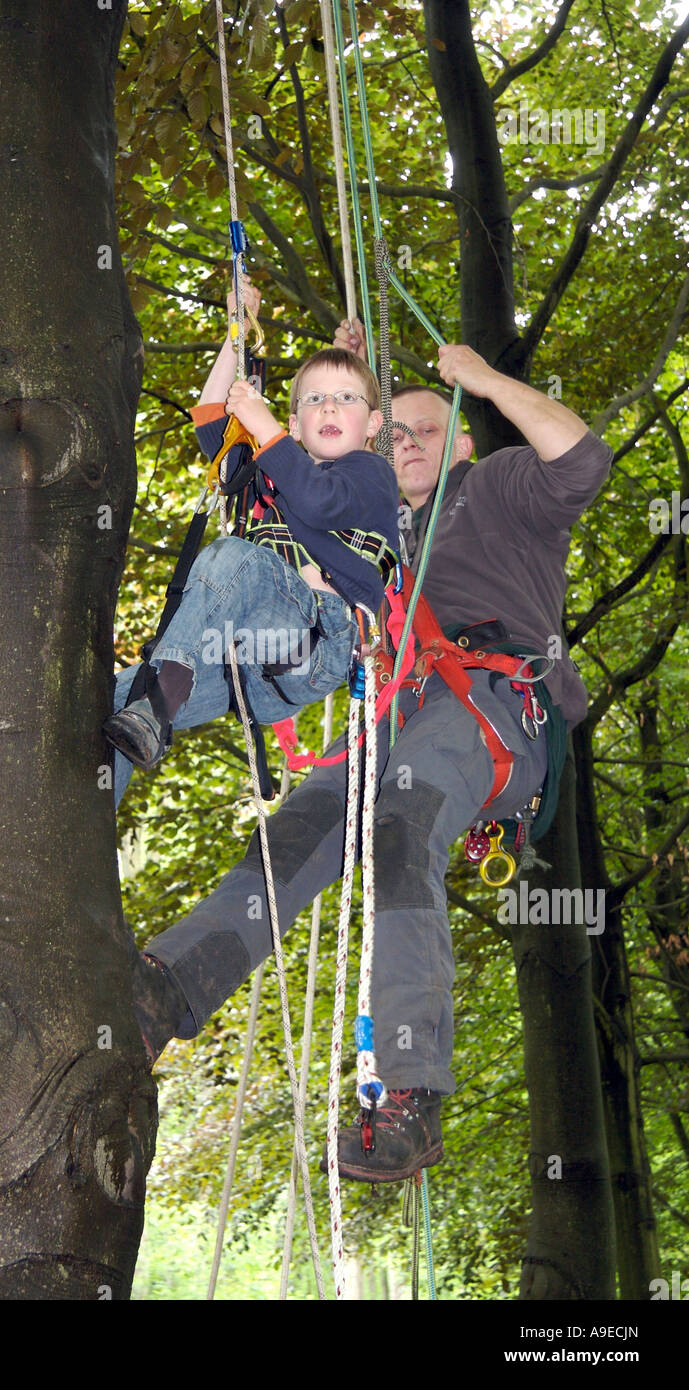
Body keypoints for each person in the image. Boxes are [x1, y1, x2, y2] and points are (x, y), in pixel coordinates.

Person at [125, 327, 612, 1184]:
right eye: (395, 435)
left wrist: (486, 379)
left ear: (461, 438)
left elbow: (579, 461)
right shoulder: (375, 522)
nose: (407, 445)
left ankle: (408, 1091)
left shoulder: (497, 488)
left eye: (427, 430)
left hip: (489, 701)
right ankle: (167, 987)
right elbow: (315, 457)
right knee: (297, 829)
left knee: (401, 823)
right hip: (395, 709)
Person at [104, 282, 400, 783]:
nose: (329, 408)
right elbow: (212, 428)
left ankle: (160, 698)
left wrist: (266, 429)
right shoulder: (272, 474)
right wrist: (237, 333)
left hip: (318, 639)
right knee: (109, 703)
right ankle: (145, 714)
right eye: (315, 400)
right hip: (242, 665)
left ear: (372, 424)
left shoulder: (371, 474)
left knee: (231, 558)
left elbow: (318, 501)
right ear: (296, 423)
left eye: (346, 399)